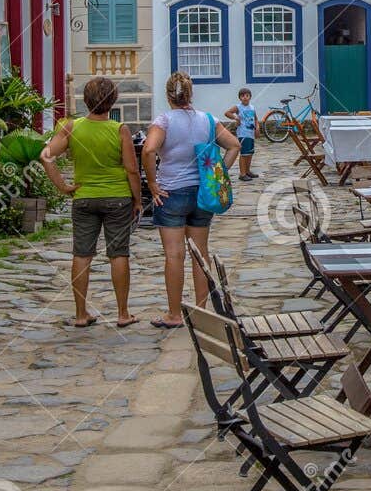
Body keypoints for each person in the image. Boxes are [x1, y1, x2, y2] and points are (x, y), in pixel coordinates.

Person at [41, 76, 142, 328]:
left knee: (82, 254)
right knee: (118, 254)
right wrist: (138, 200)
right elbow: (132, 169)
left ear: (85, 101)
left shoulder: (72, 127)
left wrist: (63, 186)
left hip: (84, 198)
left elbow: (46, 156)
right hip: (117, 198)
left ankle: (80, 313)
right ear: (113, 101)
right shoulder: (120, 130)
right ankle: (122, 313)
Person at [143, 71, 239, 329]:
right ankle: (201, 310)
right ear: (190, 94)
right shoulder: (208, 120)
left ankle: (175, 314)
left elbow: (149, 149)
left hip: (171, 193)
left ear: (168, 96)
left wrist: (152, 184)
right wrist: (218, 175)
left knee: (174, 255)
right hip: (202, 193)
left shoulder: (163, 121)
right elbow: (234, 145)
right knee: (200, 253)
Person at [225, 87, 258, 181]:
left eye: (247, 95)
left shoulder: (252, 107)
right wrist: (236, 118)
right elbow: (227, 113)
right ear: (239, 97)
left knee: (250, 153)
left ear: (250, 97)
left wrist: (257, 128)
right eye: (242, 96)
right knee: (244, 154)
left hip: (251, 133)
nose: (245, 97)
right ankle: (242, 173)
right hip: (243, 134)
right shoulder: (238, 107)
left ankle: (247, 171)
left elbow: (255, 119)